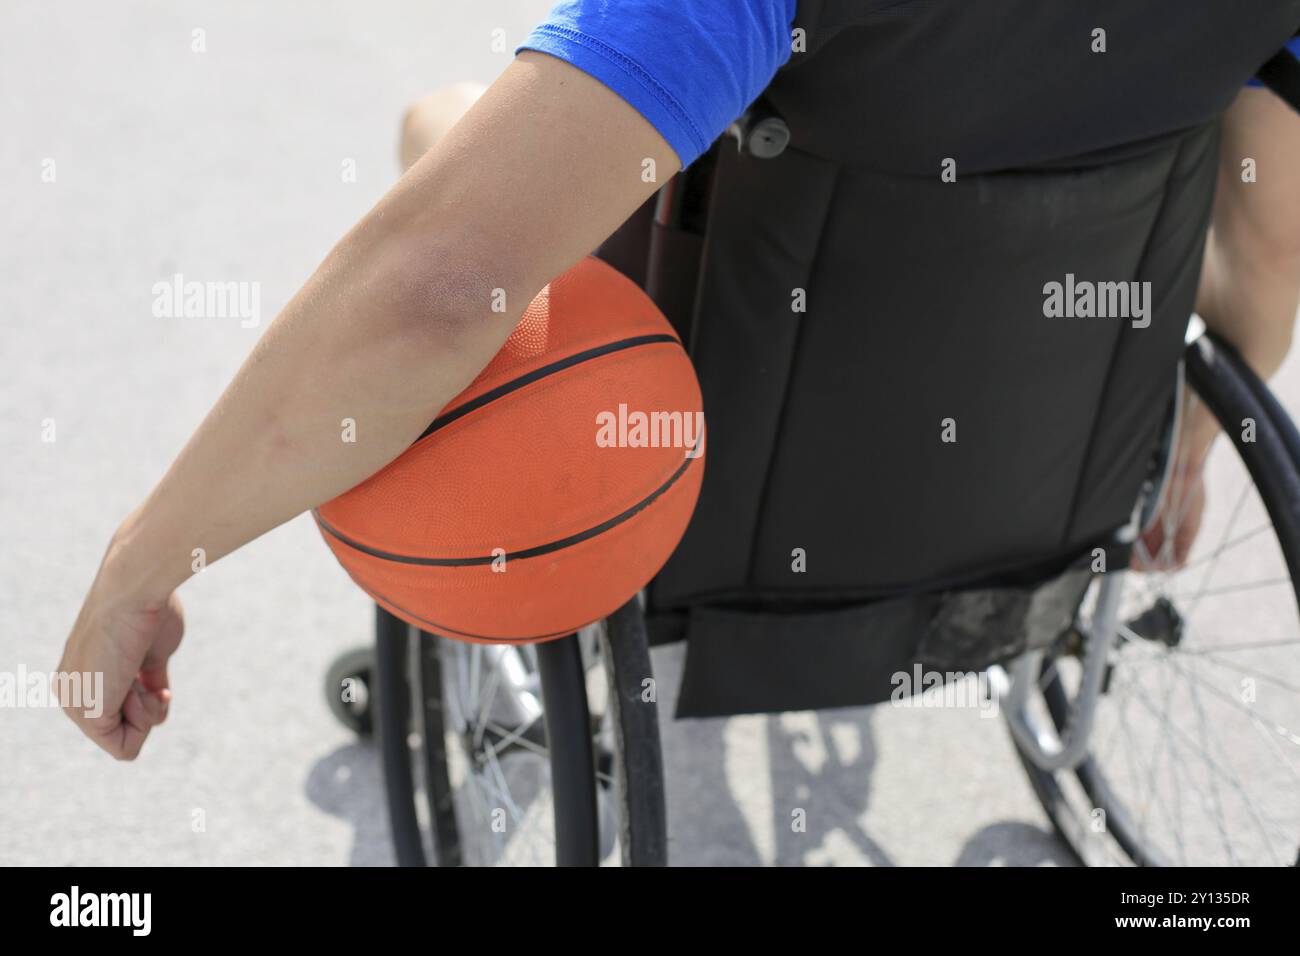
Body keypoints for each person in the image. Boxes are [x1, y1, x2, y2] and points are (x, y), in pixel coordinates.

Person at [58, 1, 1300, 760]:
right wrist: (1181, 427)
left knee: (439, 126)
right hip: (1047, 485)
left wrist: (143, 559)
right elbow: (1268, 246)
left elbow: (433, 296)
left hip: (696, 493)